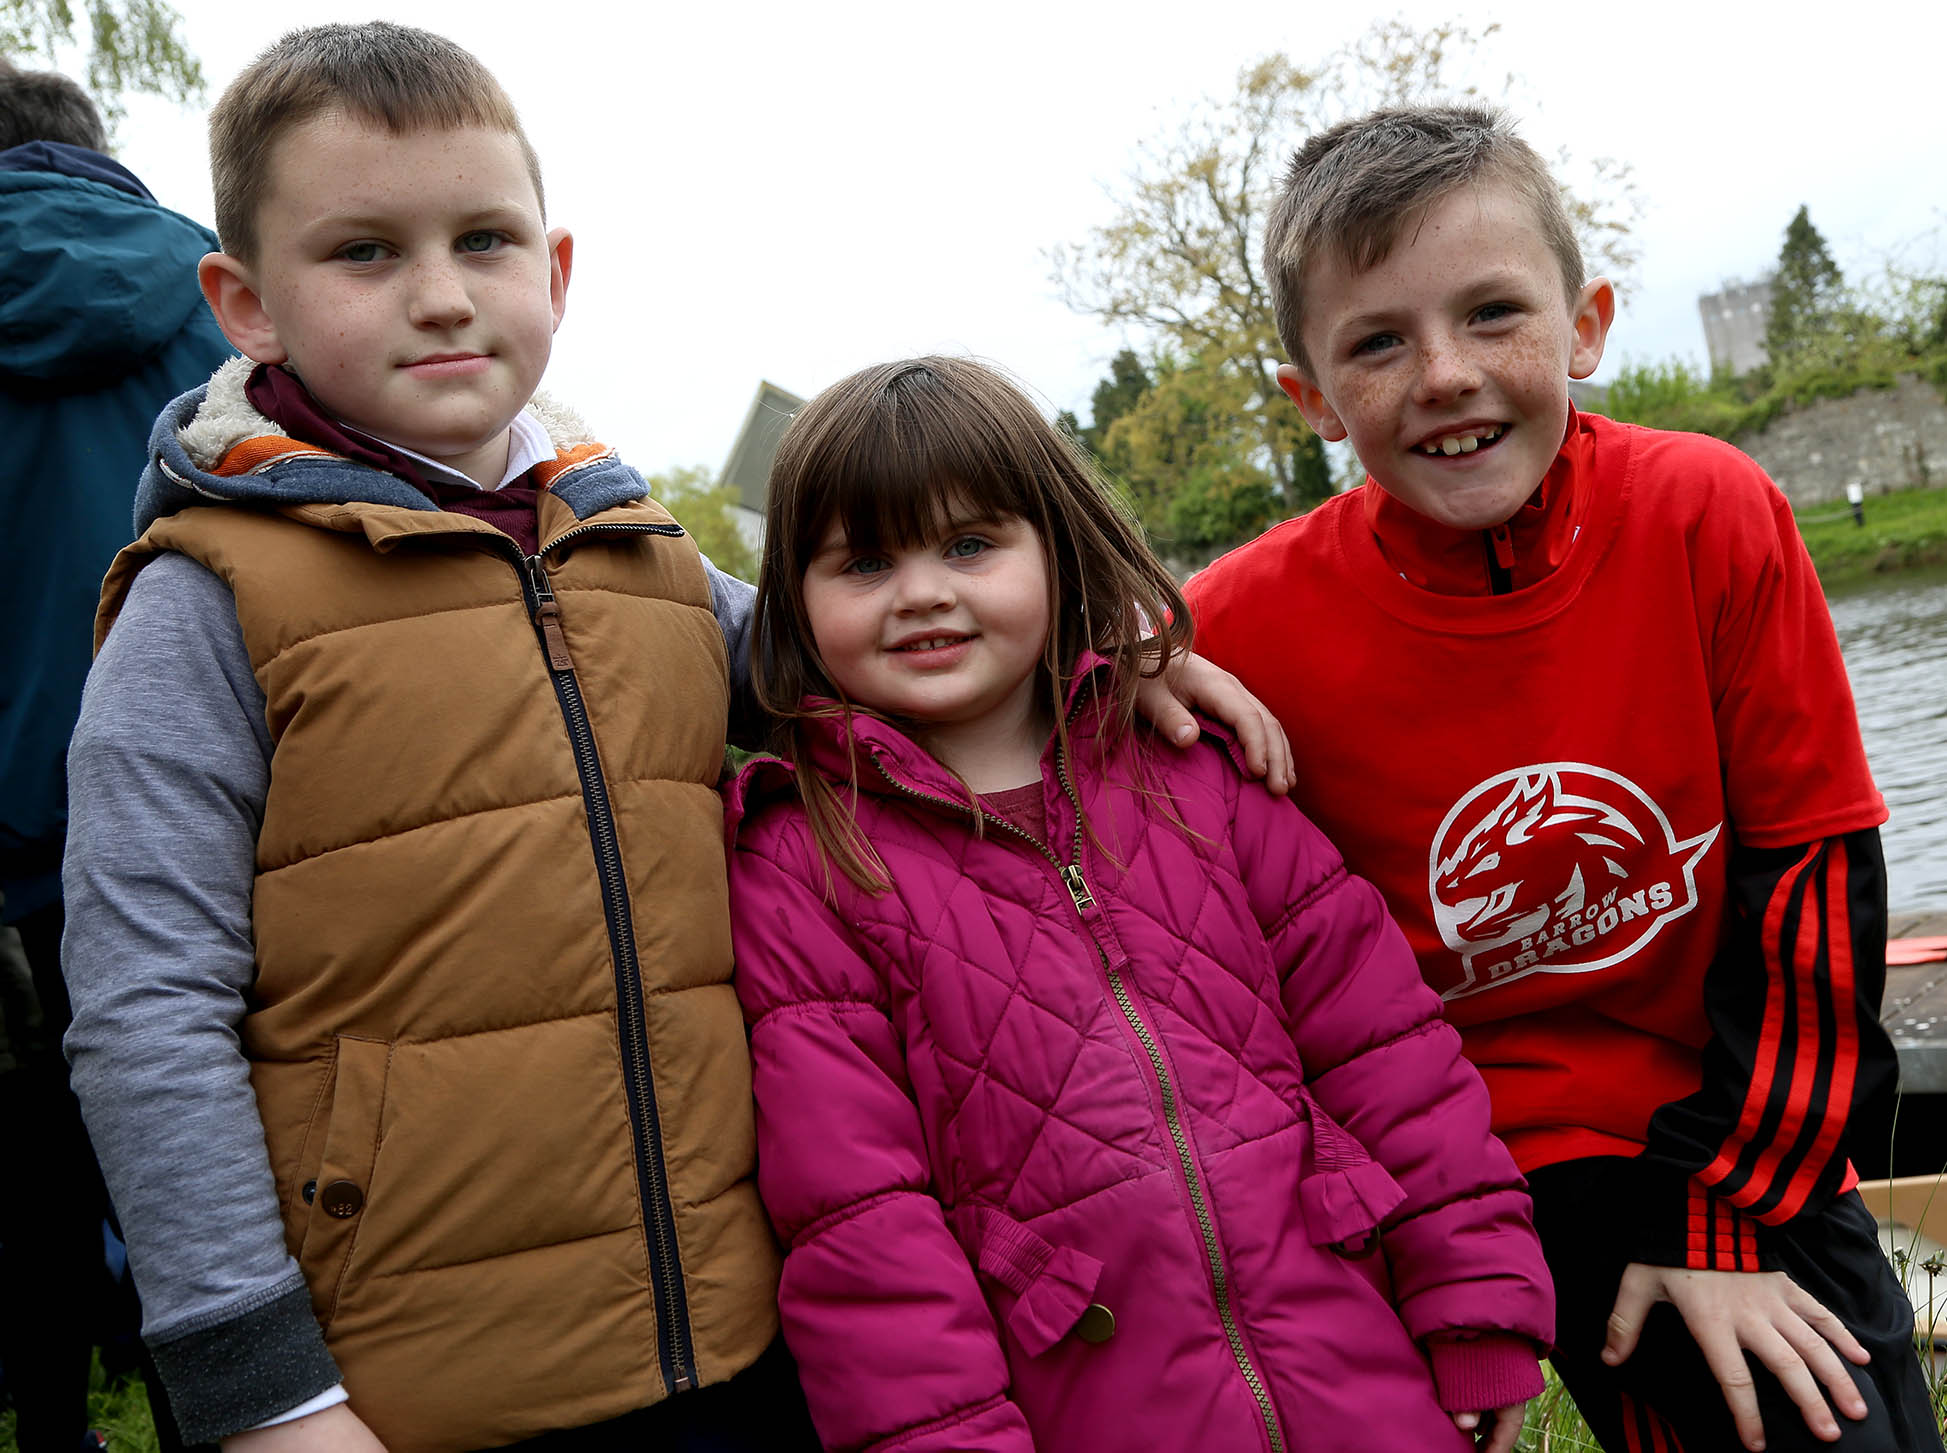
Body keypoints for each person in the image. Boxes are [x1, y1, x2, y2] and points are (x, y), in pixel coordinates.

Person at [57, 27, 1293, 1450]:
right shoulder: (205, 602)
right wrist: (264, 1388)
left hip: (733, 1342)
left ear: (556, 272)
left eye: (483, 240)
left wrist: (1114, 660)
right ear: (244, 303)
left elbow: (887, 655)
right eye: (364, 253)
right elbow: (146, 1011)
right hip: (409, 1390)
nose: (442, 297)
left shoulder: (647, 562)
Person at [1183, 105, 1937, 1453]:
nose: (1442, 375)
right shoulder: (1238, 622)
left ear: (1582, 325)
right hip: (1487, 1144)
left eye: (1490, 315)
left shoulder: (1706, 513)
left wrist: (1714, 1216)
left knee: (1859, 1416)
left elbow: (1816, 890)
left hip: (1729, 1113)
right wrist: (1120, 658)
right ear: (1306, 397)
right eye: (1374, 342)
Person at [725, 355, 1556, 1453]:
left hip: (1362, 1379)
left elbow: (1388, 1055)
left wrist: (1477, 1297)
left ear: (1056, 550)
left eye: (971, 544)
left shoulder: (1193, 769)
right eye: (865, 561)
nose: (923, 591)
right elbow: (860, 1224)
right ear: (795, 599)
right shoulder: (801, 864)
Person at [0, 56, 232, 1453]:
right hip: (210, 812)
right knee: (199, 1155)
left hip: (15, 861)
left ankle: (50, 1420)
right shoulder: (221, 300)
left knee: (29, 1179)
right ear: (97, 154)